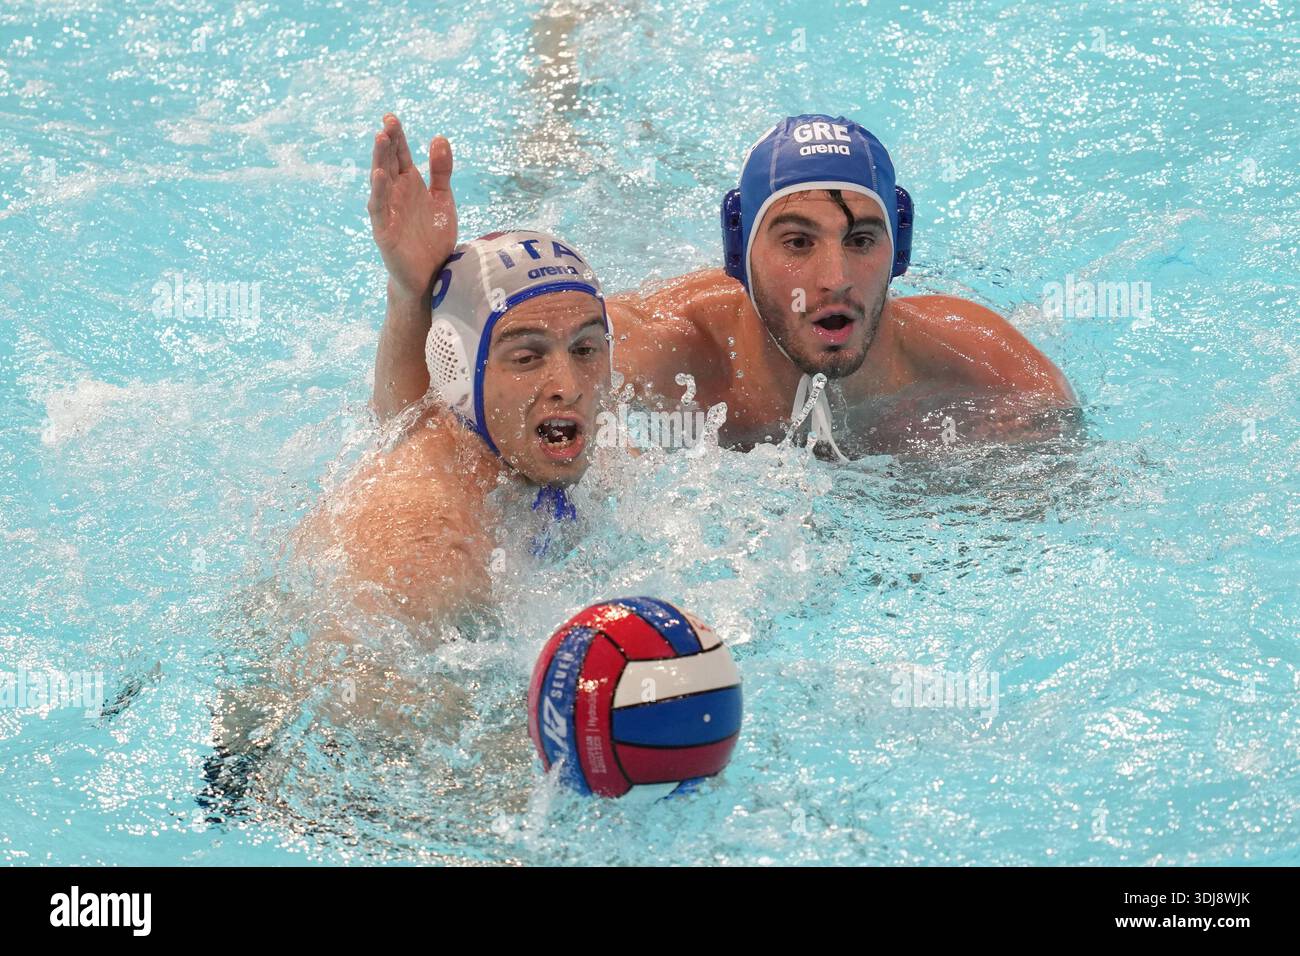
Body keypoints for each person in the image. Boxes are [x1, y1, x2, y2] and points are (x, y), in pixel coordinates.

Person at [371, 113, 1075, 459]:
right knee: (562, 162)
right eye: (797, 242)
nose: (834, 280)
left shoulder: (992, 371)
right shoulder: (667, 349)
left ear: (900, 246)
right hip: (635, 251)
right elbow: (426, 434)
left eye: (861, 241)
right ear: (740, 249)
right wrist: (412, 295)